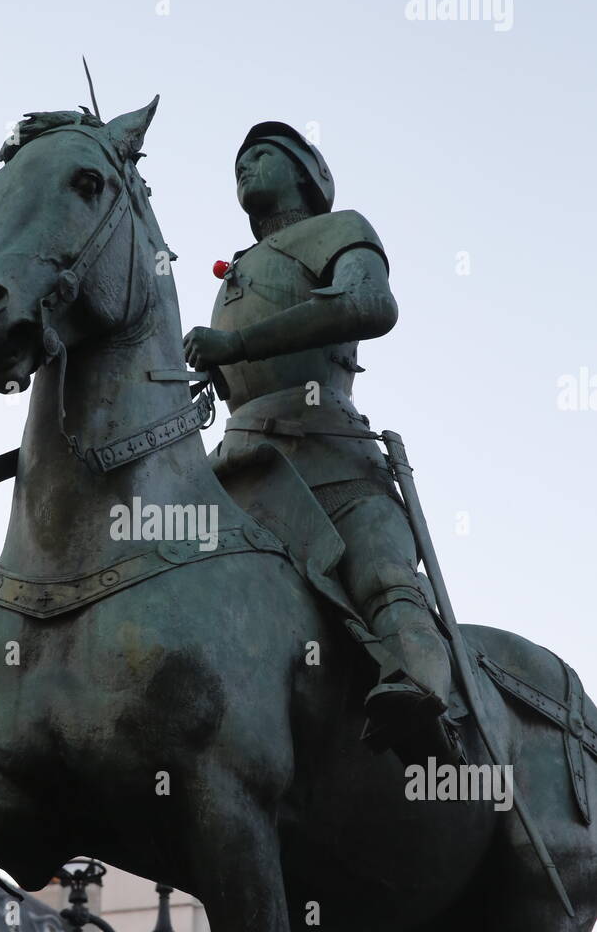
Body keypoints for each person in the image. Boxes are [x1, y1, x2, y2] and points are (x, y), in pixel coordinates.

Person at [183, 121, 457, 762]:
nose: (244, 166)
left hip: (327, 451)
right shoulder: (238, 274)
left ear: (306, 171)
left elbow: (370, 304)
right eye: (238, 162)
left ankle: (417, 679)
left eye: (261, 155)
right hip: (237, 463)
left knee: (381, 571)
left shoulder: (341, 230)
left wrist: (240, 345)